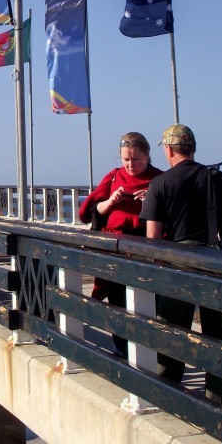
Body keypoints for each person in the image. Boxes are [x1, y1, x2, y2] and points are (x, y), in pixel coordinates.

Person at [140, 124, 222, 404]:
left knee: (173, 334)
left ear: (168, 150)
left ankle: (171, 394)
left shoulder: (160, 184)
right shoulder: (217, 178)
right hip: (216, 264)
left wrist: (160, 269)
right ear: (192, 148)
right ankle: (216, 397)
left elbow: (153, 238)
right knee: (217, 335)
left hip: (178, 267)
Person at [79, 132, 162, 355]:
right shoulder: (115, 176)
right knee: (119, 306)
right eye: (126, 159)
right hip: (114, 253)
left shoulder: (159, 179)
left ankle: (145, 356)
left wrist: (151, 202)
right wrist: (110, 201)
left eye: (136, 159)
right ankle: (122, 354)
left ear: (147, 156)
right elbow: (90, 212)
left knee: (146, 308)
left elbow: (172, 216)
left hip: (145, 252)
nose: (130, 164)